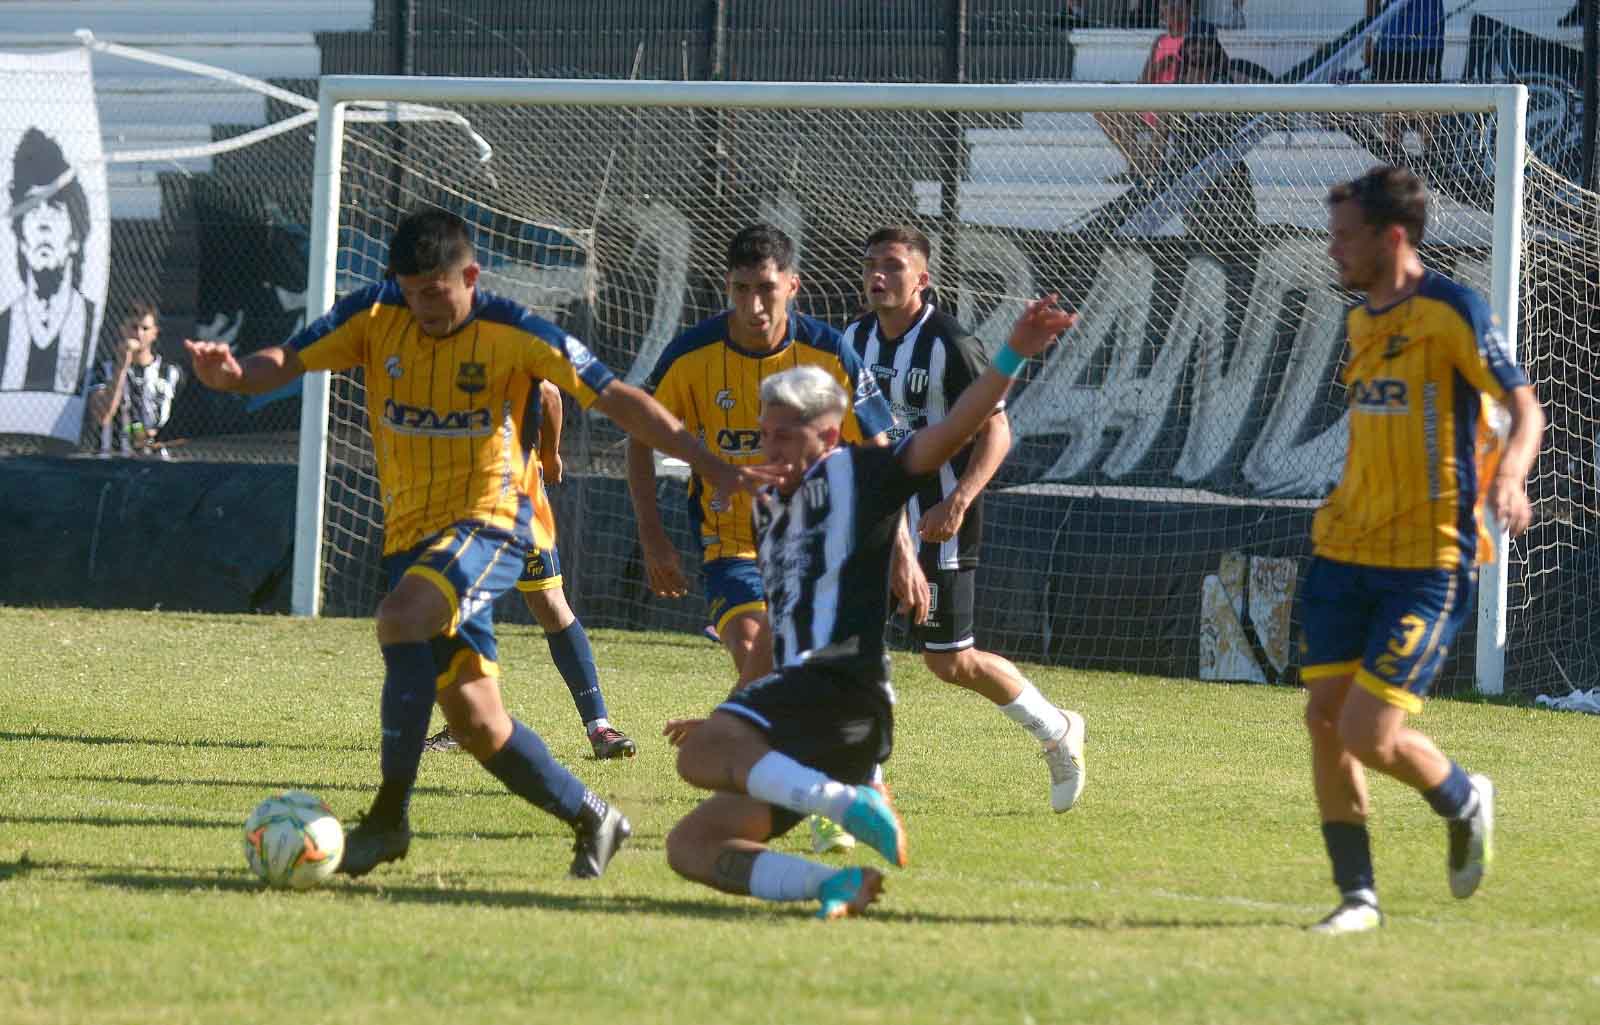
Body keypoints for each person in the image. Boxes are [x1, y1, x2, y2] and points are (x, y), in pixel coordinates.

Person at [185, 207, 765, 879]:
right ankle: (595, 817)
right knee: (476, 722)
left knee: (401, 616)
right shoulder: (373, 315)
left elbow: (615, 397)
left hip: (494, 524)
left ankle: (388, 819)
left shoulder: (514, 330)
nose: (425, 307)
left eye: (437, 291)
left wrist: (709, 460)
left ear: (470, 276)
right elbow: (287, 358)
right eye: (412, 292)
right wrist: (235, 375)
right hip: (413, 536)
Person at [664, 298, 1078, 920]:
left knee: (698, 759)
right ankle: (835, 882)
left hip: (841, 693)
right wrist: (730, 718)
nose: (768, 445)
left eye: (784, 434)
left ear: (829, 436)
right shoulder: (768, 506)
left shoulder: (865, 473)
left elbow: (954, 429)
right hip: (801, 712)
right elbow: (778, 629)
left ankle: (846, 802)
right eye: (764, 432)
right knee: (691, 847)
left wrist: (1013, 353)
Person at [1299, 166, 1543, 934]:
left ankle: (1463, 797)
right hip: (1343, 549)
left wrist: (1510, 477)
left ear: (1392, 236)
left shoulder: (1452, 310)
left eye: (1346, 236)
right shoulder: (1360, 319)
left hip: (1428, 559)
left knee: (1369, 733)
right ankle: (1358, 898)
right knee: (1324, 719)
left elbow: (1524, 408)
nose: (1333, 248)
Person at [845, 226, 1086, 814]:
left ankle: (1056, 729)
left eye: (893, 266)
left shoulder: (949, 343)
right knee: (847, 645)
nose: (878, 275)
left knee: (949, 661)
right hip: (874, 520)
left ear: (922, 279)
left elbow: (997, 430)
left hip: (938, 520)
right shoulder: (851, 338)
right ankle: (861, 780)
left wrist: (957, 502)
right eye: (871, 264)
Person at [627, 223, 902, 693]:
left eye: (766, 289)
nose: (754, 306)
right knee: (757, 648)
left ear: (792, 286)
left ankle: (748, 729)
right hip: (732, 543)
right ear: (727, 286)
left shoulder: (830, 352)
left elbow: (882, 455)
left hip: (820, 540)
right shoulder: (691, 354)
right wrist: (651, 535)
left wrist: (900, 551)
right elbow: (639, 437)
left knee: (813, 673)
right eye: (742, 289)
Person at [424, 379, 637, 759]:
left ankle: (599, 726)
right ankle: (467, 724)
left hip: (509, 496)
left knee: (545, 603)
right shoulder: (429, 363)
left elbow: (549, 393)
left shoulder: (493, 350)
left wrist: (551, 455)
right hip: (469, 494)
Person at [0, 127, 97, 396]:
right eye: (32, 208)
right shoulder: (3, 324)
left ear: (75, 237)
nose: (43, 223)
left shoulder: (95, 322)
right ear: (20, 238)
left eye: (54, 208)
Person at [1094, 0, 1203, 183]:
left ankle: (1152, 171)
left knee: (1164, 109)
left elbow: (1194, 82)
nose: (1168, 9)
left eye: (1175, 4)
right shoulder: (1160, 41)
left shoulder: (1194, 42)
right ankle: (1138, 166)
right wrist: (1159, 67)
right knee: (1103, 110)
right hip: (1148, 103)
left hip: (1174, 109)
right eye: (1165, 4)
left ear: (1187, 9)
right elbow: (1143, 81)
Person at [87, 300, 181, 458]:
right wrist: (121, 367)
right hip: (111, 459)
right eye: (133, 327)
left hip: (156, 460)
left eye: (145, 328)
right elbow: (103, 415)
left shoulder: (171, 373)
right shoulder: (102, 370)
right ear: (123, 329)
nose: (139, 334)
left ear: (155, 333)